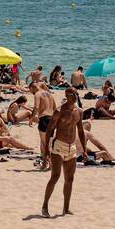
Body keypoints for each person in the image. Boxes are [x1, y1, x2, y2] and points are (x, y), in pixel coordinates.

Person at [42, 88, 86, 217]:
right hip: (59, 145)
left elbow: (81, 131)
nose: (76, 96)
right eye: (74, 94)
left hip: (71, 147)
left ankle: (66, 208)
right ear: (67, 95)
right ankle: (45, 206)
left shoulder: (79, 112)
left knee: (70, 178)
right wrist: (46, 150)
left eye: (77, 94)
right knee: (55, 176)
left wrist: (83, 149)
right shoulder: (59, 111)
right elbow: (49, 130)